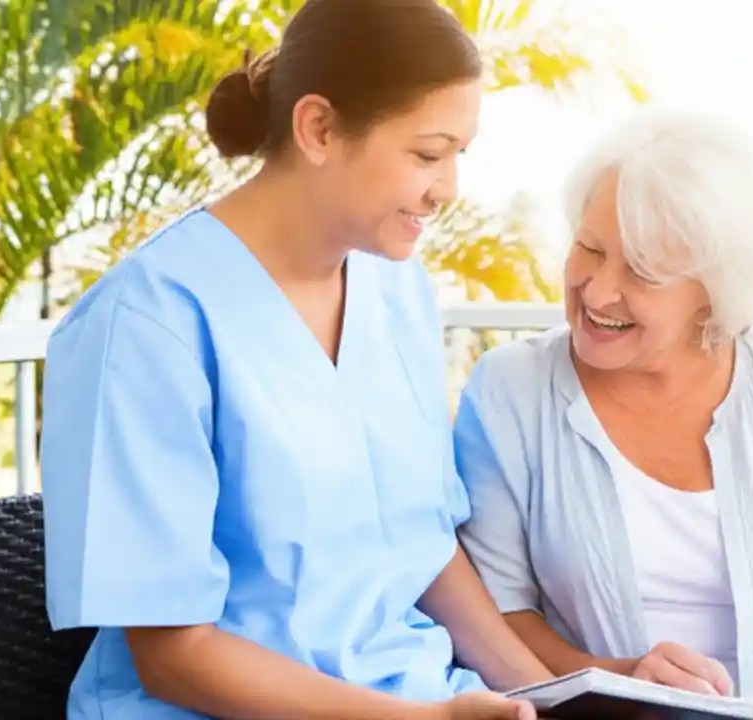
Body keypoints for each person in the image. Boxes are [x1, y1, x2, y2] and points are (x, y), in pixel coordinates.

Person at [39, 1, 551, 718]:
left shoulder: (396, 288)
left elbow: (422, 543)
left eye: (458, 156)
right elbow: (173, 658)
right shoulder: (149, 322)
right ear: (318, 128)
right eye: (427, 154)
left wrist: (548, 695)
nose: (447, 190)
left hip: (415, 696)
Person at [454, 108, 753, 712]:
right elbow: (499, 617)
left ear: (712, 293)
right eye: (589, 248)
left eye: (642, 272)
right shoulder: (511, 387)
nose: (599, 290)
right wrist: (620, 681)